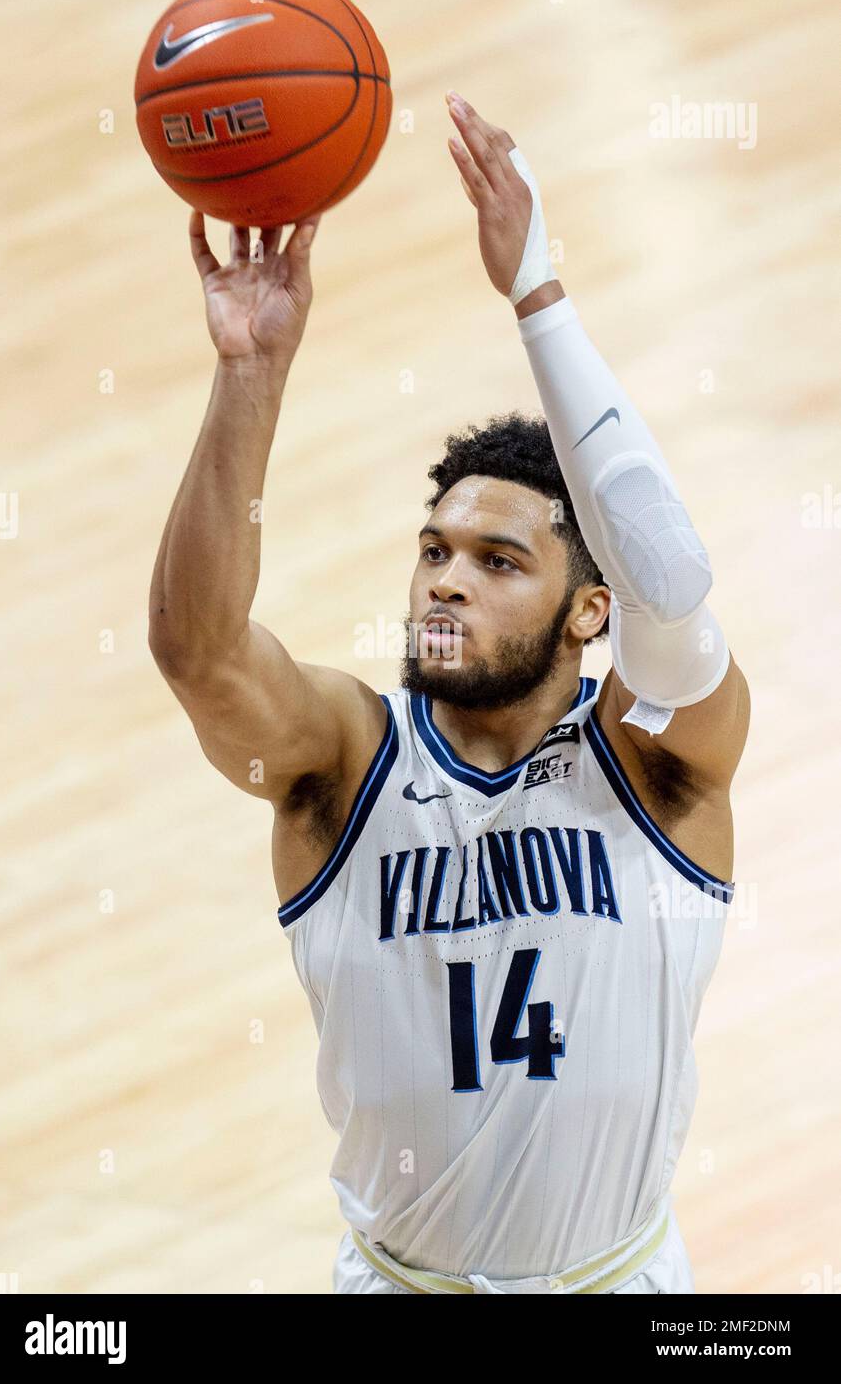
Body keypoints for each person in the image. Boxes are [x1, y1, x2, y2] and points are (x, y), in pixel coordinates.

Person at [148, 91, 749, 1295]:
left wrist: (536, 293)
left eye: (497, 560)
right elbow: (200, 653)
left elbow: (668, 585)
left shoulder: (653, 764)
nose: (445, 582)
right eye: (434, 551)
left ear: (590, 608)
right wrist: (251, 372)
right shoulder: (340, 761)